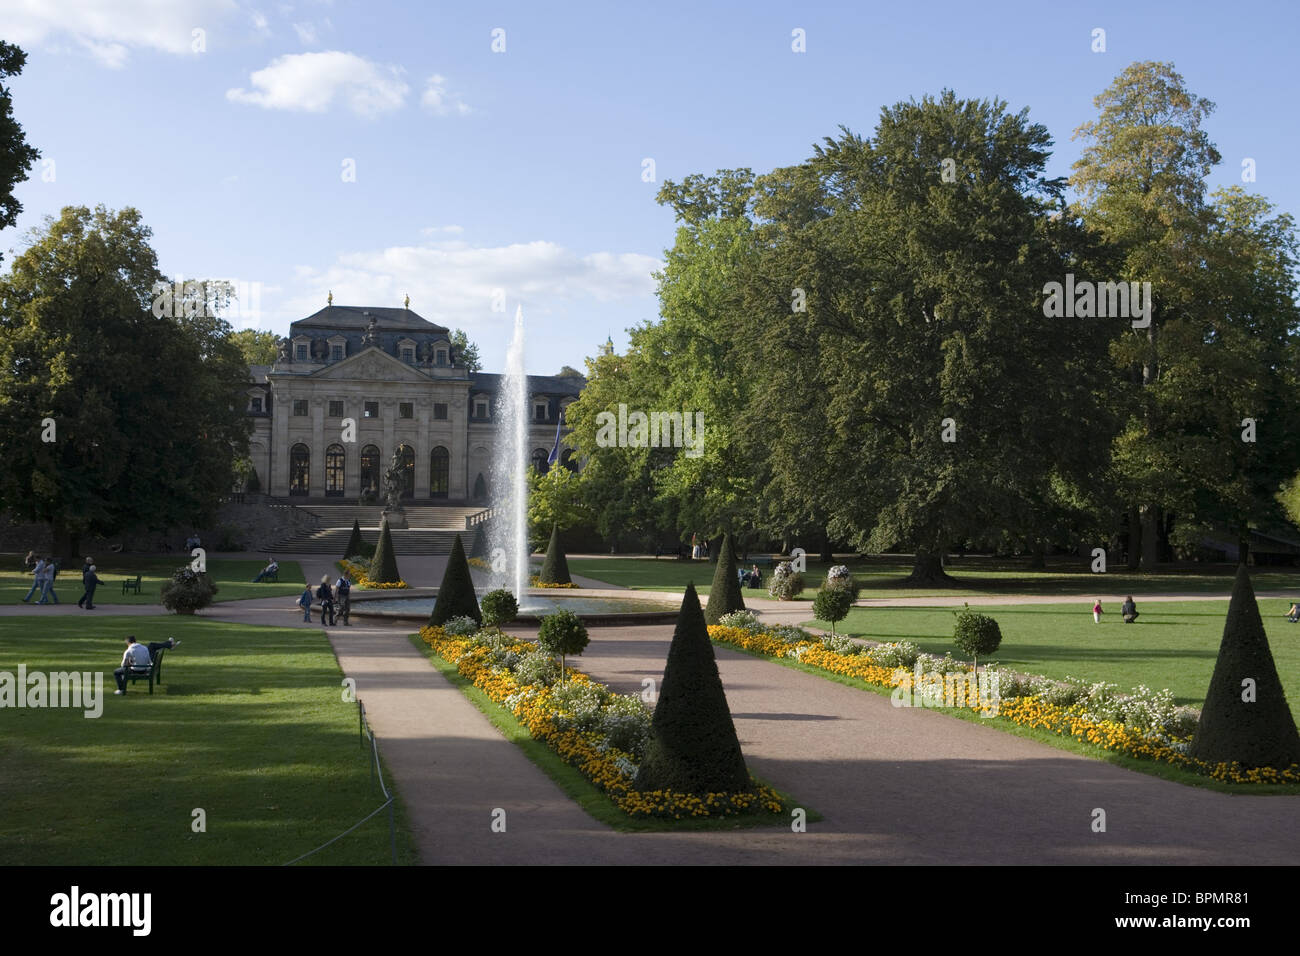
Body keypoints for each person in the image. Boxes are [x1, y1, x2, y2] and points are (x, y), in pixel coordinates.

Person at [113, 635, 181, 695]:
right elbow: (148, 660)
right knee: (151, 645)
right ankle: (169, 644)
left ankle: (121, 689)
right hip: (145, 668)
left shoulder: (128, 651)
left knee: (116, 672)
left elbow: (123, 665)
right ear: (135, 641)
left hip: (136, 670)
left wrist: (130, 663)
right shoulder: (144, 648)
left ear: (128, 643)